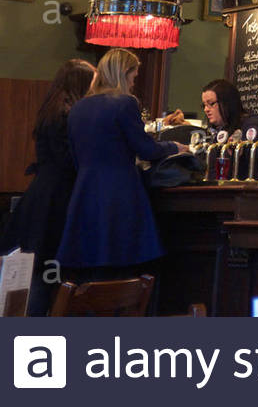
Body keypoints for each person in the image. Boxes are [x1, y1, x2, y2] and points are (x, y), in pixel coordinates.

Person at [55, 48, 188, 281]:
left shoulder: (78, 109)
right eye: (134, 77)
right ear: (123, 73)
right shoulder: (124, 103)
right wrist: (175, 147)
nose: (134, 83)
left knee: (90, 272)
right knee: (123, 271)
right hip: (119, 194)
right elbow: (146, 149)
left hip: (84, 193)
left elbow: (76, 156)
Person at [0, 59, 95, 315]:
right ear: (82, 85)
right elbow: (73, 161)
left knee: (38, 272)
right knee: (47, 273)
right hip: (58, 200)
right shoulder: (71, 116)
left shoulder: (52, 110)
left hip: (40, 197)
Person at [164, 78, 258, 137]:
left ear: (227, 103)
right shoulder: (215, 130)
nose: (206, 109)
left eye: (211, 104)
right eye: (204, 105)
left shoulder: (250, 123)